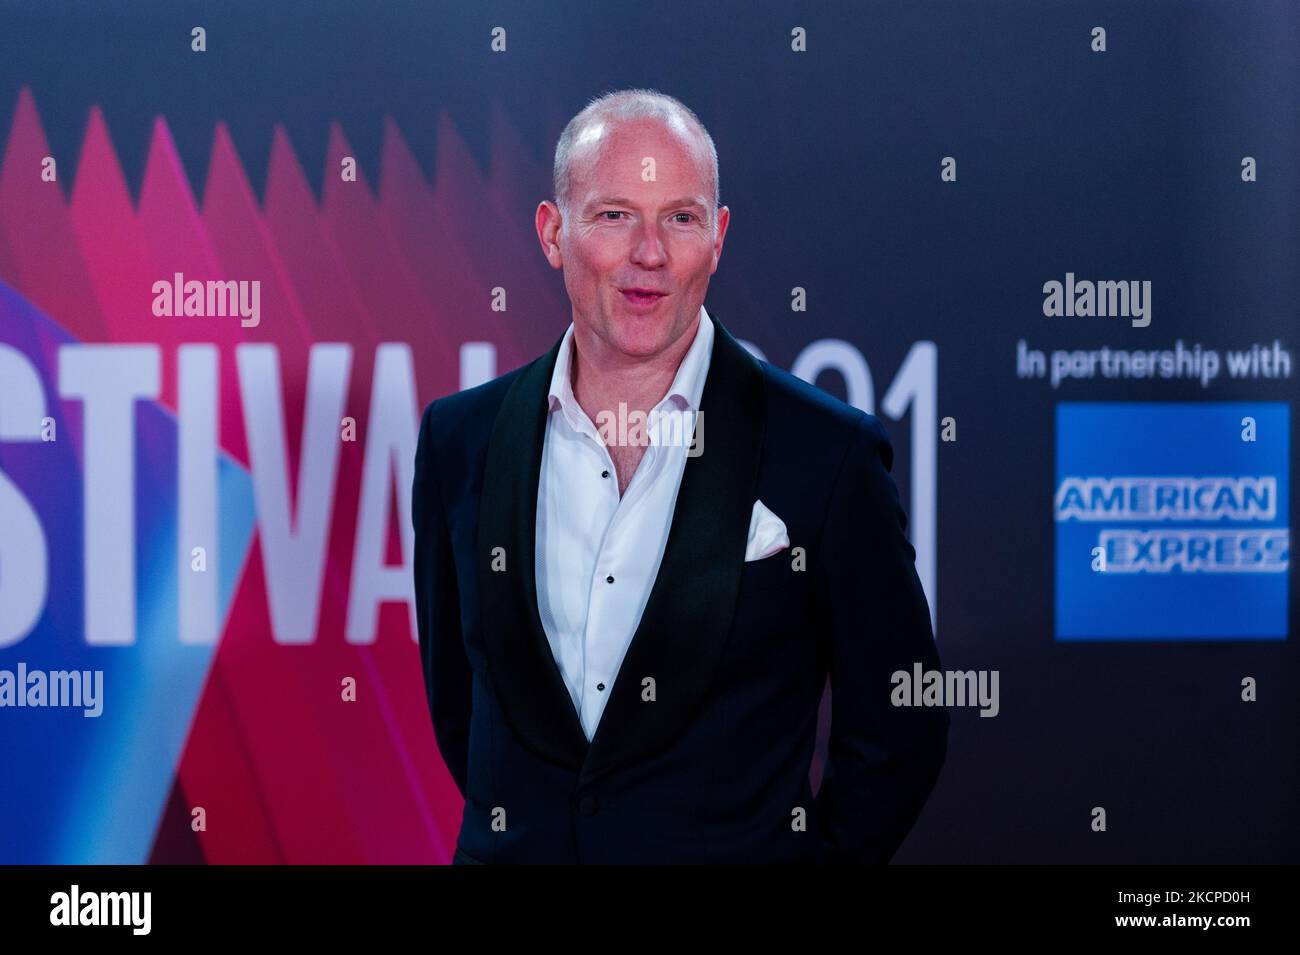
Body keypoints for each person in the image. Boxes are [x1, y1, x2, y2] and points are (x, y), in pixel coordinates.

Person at [412, 88, 947, 864]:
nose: (650, 254)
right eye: (614, 214)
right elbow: (462, 710)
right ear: (552, 232)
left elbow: (902, 727)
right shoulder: (462, 440)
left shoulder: (827, 455)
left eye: (681, 217)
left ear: (719, 237)